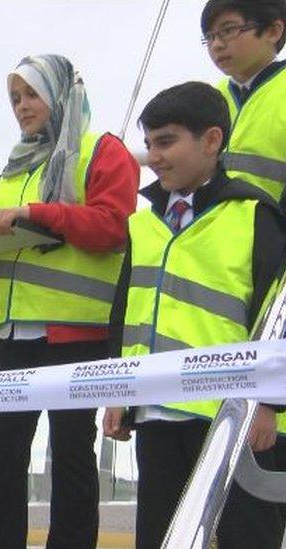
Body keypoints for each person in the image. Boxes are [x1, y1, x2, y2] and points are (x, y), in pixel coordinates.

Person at [0, 54, 139, 548]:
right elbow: (4, 255)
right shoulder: (13, 167)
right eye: (15, 98)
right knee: (2, 453)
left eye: (31, 94)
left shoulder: (102, 150)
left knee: (71, 452)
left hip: (77, 331)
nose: (22, 107)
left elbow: (114, 227)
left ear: (60, 94)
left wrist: (39, 213)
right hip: (12, 334)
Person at [102, 81, 286, 548]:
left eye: (167, 141)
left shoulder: (254, 216)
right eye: (149, 144)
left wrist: (269, 403)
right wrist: (118, 392)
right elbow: (126, 315)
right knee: (162, 538)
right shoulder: (141, 224)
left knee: (248, 536)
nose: (155, 156)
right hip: (157, 412)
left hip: (234, 417)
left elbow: (277, 318)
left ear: (211, 140)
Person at [201, 0, 286, 202]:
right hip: (216, 228)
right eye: (209, 37)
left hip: (272, 229)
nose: (217, 45)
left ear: (274, 31)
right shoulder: (211, 97)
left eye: (228, 30)